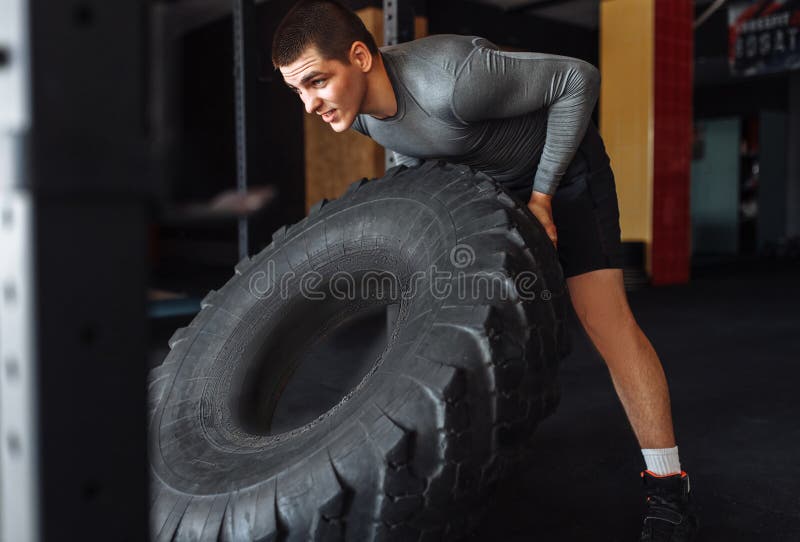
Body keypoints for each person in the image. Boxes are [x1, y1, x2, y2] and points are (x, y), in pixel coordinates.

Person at [271, 1, 698, 540]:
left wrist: (542, 197)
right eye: (297, 92)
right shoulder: (353, 111)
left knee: (603, 320)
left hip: (560, 173)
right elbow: (411, 151)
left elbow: (577, 78)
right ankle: (444, 464)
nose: (309, 104)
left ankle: (669, 491)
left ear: (359, 56)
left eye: (316, 81)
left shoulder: (452, 80)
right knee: (426, 314)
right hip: (487, 183)